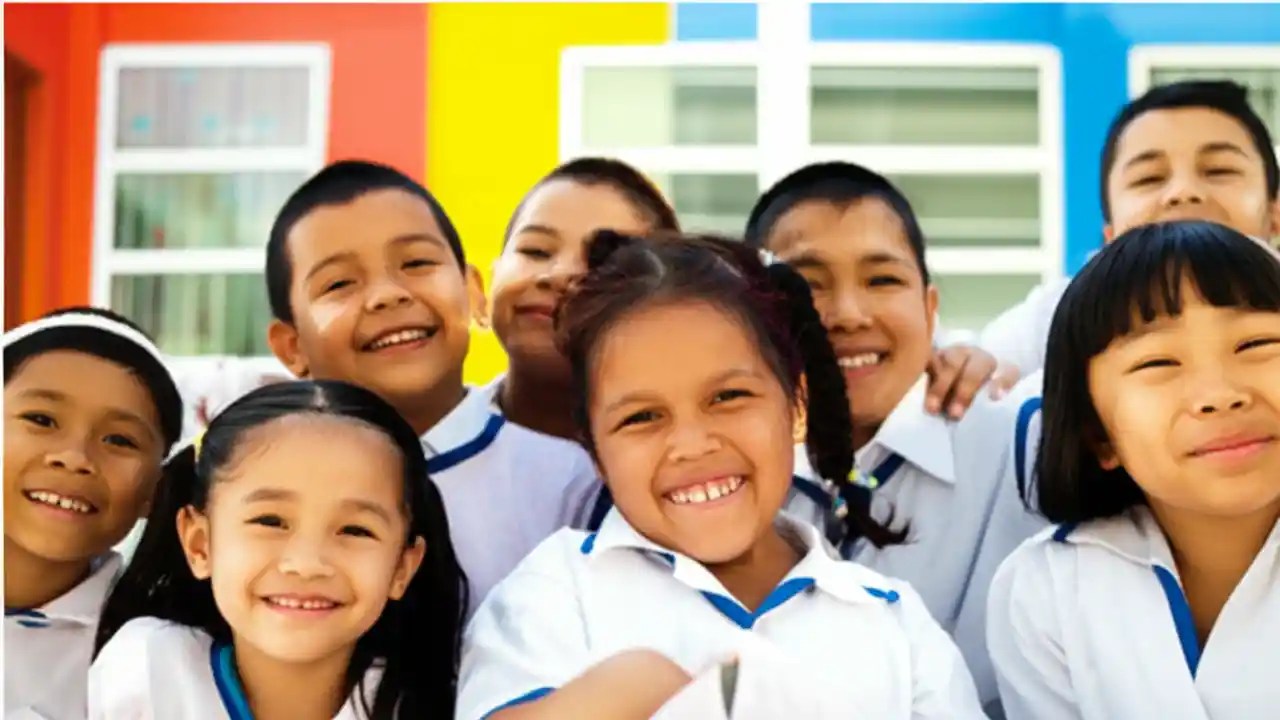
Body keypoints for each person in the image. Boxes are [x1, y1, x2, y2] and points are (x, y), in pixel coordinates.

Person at [457, 231, 984, 719]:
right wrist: (639, 685)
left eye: (728, 397)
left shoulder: (892, 624)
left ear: (797, 406)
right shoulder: (554, 594)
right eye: (641, 417)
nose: (690, 445)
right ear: (595, 449)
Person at [745, 161, 1044, 710]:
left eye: (883, 280)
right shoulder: (722, 474)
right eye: (807, 285)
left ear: (931, 312)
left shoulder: (1023, 457)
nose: (848, 314)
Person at [262, 160, 598, 611]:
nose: (388, 295)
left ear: (474, 292)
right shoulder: (260, 490)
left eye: (417, 263)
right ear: (291, 347)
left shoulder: (572, 484)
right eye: (339, 283)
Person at [988, 220, 1280, 719]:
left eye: (1256, 346)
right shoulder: (1048, 589)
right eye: (1158, 363)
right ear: (1098, 435)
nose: (1220, 394)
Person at [89, 380, 465, 719]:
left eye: (355, 529)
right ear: (200, 544)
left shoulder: (438, 706)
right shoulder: (147, 671)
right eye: (269, 522)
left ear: (402, 567)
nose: (306, 564)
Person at [979, 79, 1280, 377]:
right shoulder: (1045, 326)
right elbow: (976, 371)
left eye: (1219, 170)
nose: (1183, 191)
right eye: (1148, 178)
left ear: (1274, 212)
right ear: (1109, 235)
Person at [4, 307, 184, 720]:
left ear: (154, 492)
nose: (73, 457)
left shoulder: (157, 657)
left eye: (119, 439)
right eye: (41, 419)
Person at [483, 157, 679, 440]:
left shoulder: (687, 458)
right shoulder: (422, 450)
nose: (561, 275)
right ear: (492, 275)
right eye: (536, 251)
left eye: (602, 260)